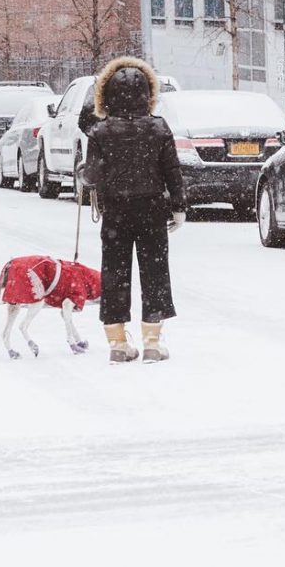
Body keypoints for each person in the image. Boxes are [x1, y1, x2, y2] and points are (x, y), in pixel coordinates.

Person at [81, 56, 185, 364]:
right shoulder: (158, 128)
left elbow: (92, 176)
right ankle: (152, 342)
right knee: (154, 272)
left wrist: (85, 174)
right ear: (148, 94)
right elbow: (172, 171)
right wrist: (178, 206)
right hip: (152, 209)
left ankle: (117, 344)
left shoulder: (100, 132)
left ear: (107, 95)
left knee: (115, 274)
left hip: (115, 212)